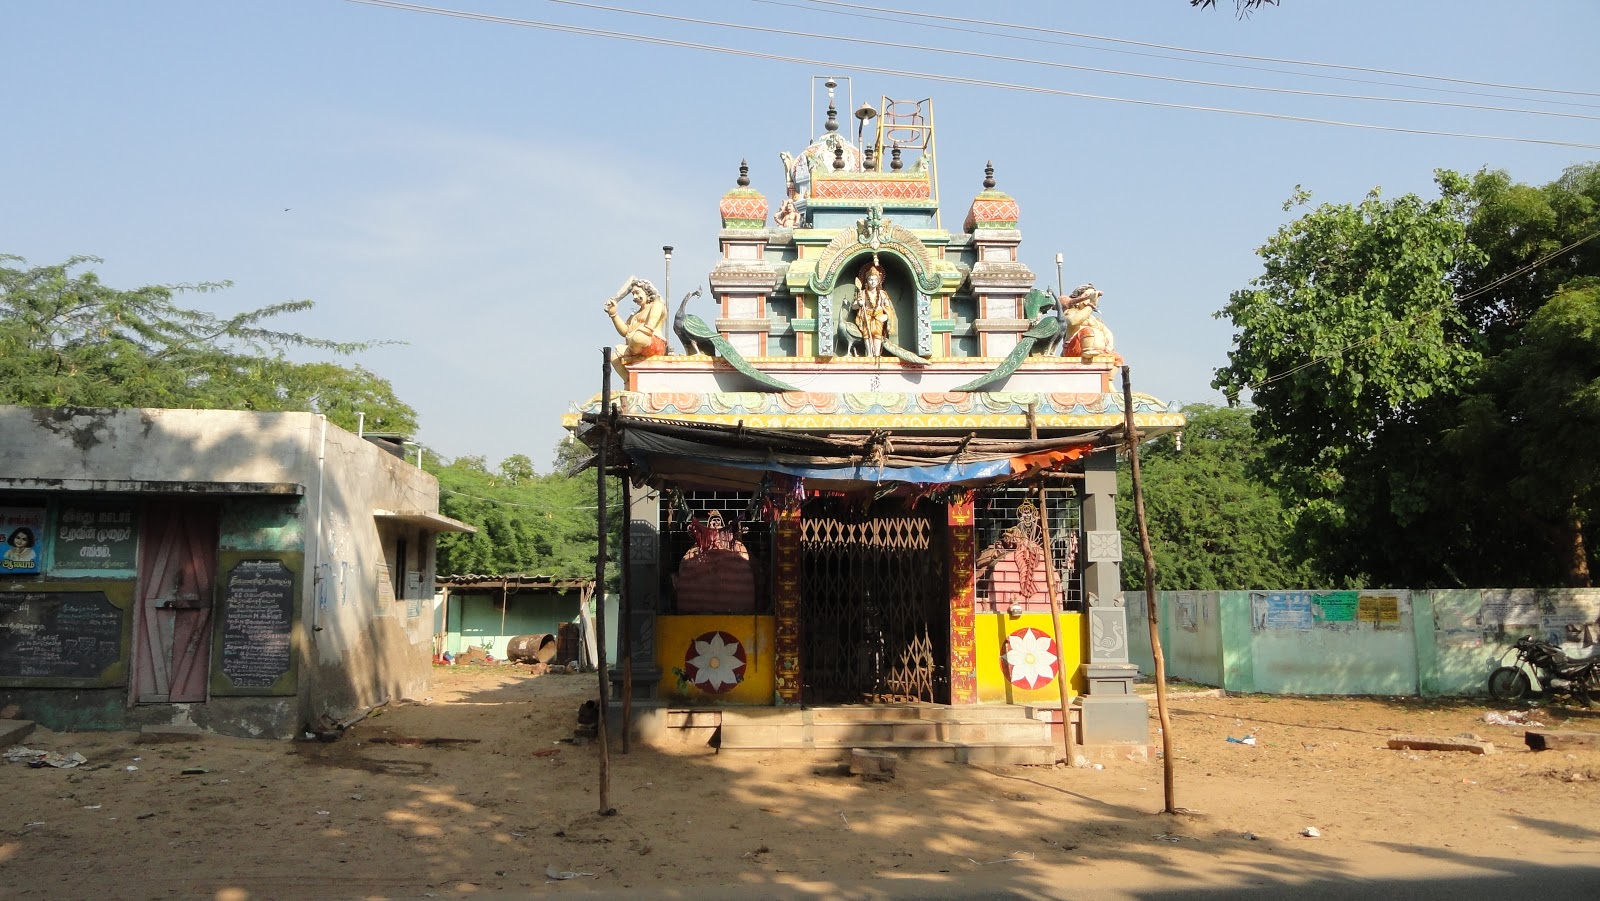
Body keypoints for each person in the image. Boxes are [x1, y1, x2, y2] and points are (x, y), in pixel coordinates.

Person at [604, 277, 668, 377]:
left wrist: (635, 337)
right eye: (633, 294)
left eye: (637, 292)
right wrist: (614, 314)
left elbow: (649, 327)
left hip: (653, 344)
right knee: (614, 357)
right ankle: (628, 381)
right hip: (634, 347)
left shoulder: (657, 305)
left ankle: (631, 354)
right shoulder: (635, 315)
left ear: (647, 292)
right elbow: (625, 332)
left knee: (639, 337)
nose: (634, 297)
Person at [853, 256, 893, 357]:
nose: (873, 281)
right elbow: (854, 306)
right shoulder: (862, 293)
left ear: (879, 281)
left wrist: (887, 316)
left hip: (878, 316)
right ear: (866, 281)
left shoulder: (882, 294)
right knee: (867, 334)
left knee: (877, 334)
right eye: (870, 279)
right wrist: (859, 304)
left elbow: (888, 307)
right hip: (867, 316)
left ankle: (877, 353)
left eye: (875, 279)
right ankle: (870, 353)